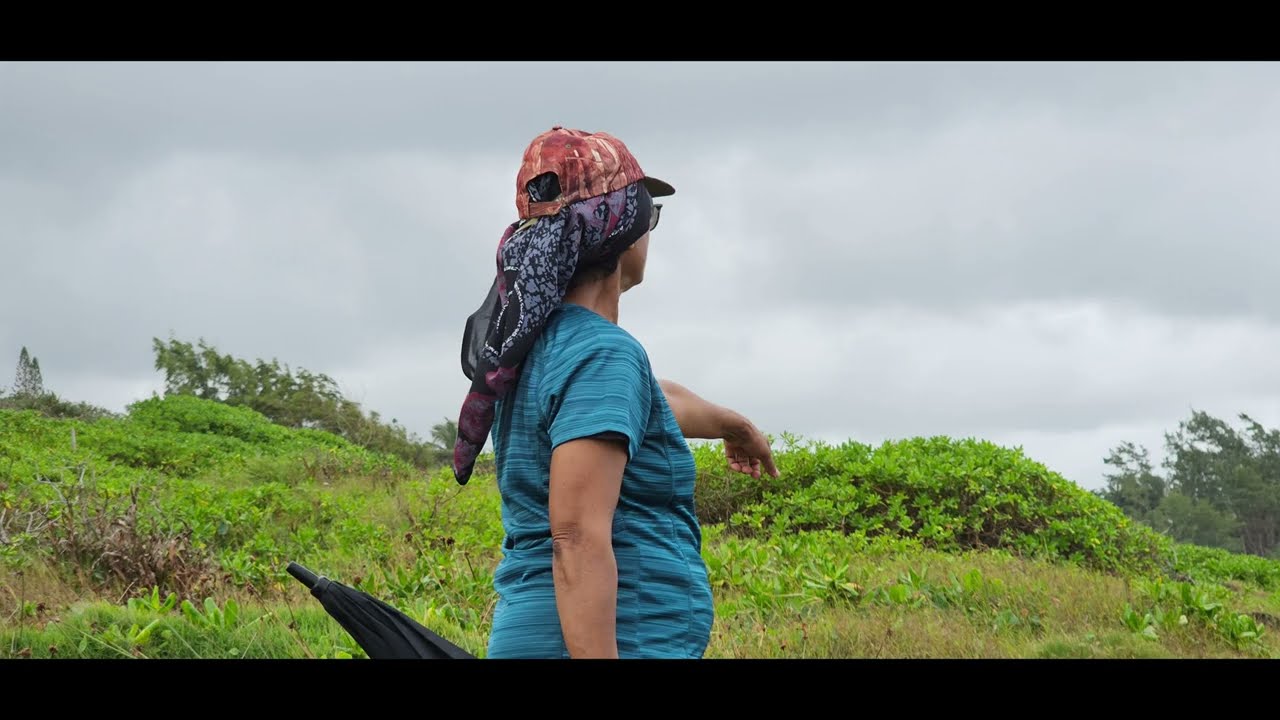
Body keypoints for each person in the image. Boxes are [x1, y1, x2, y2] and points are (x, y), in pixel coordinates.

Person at [452, 126, 778, 659]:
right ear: (621, 229)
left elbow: (650, 402)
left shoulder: (532, 349)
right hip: (613, 640)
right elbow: (577, 537)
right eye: (650, 214)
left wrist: (732, 426)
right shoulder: (604, 354)